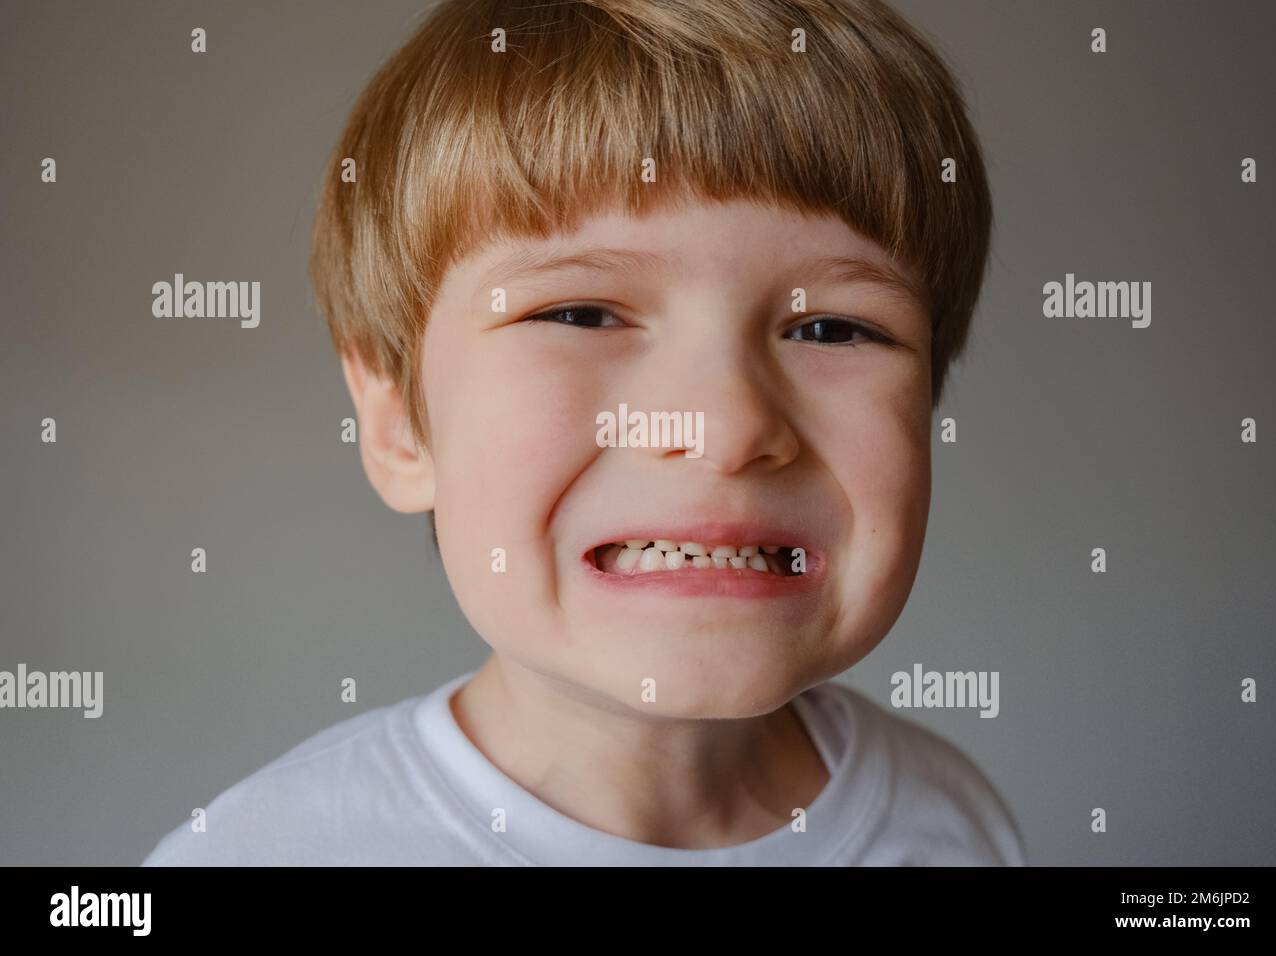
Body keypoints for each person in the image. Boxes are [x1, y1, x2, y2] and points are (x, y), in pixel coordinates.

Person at [143, 0, 1025, 866]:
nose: (724, 428)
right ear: (400, 423)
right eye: (582, 312)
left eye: (833, 329)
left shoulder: (953, 819)